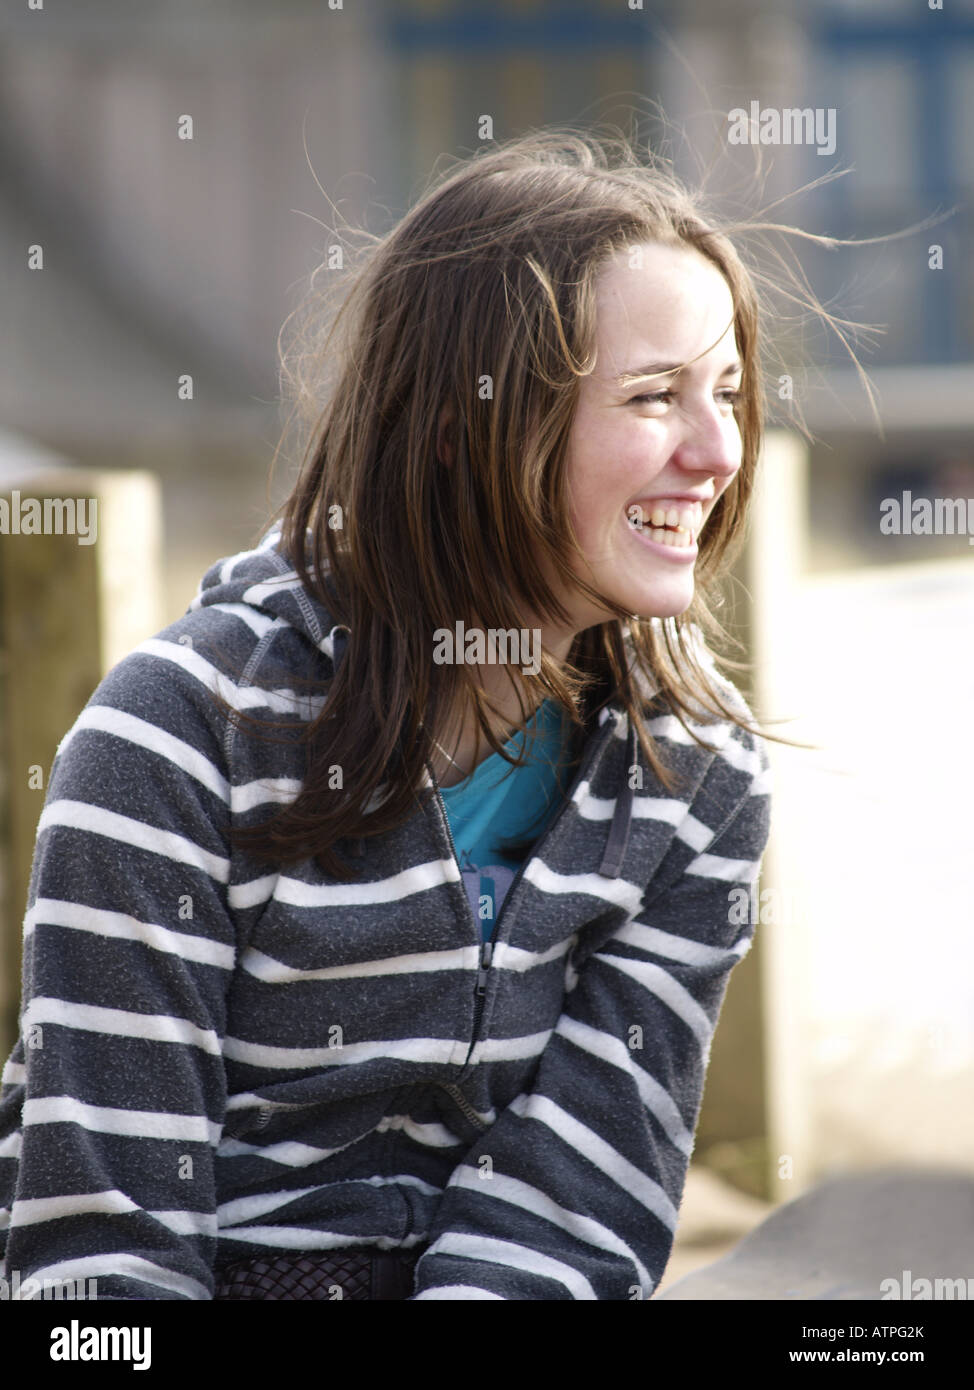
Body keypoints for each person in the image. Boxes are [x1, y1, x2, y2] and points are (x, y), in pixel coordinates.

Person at [0, 127, 774, 1301]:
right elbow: (103, 1247)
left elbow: (577, 1207)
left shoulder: (696, 778)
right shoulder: (173, 740)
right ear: (469, 428)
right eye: (655, 395)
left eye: (724, 392)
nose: (716, 450)